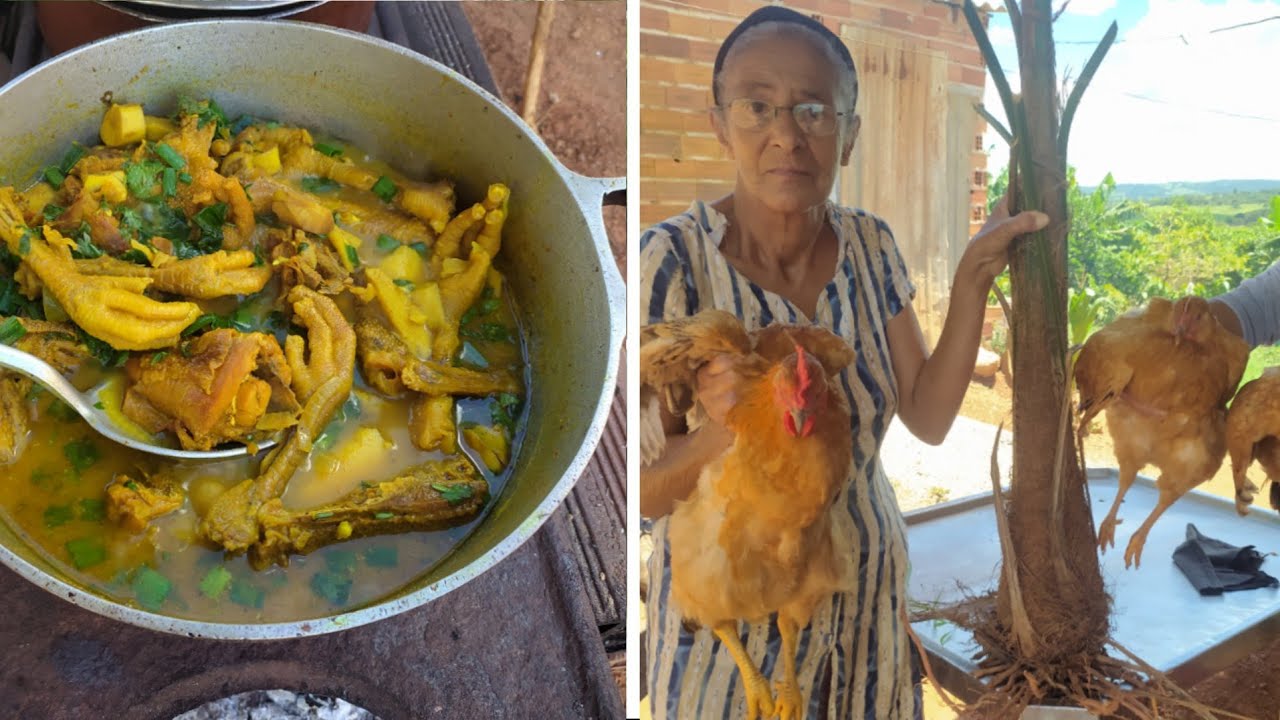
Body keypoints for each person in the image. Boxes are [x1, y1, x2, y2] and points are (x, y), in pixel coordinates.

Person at [639, 6, 1049, 719]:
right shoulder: (674, 262)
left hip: (863, 604)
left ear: (848, 134)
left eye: (814, 111)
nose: (786, 134)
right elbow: (641, 494)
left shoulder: (870, 246)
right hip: (732, 629)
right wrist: (729, 428)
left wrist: (974, 277)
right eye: (757, 106)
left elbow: (928, 416)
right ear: (720, 125)